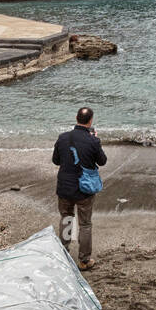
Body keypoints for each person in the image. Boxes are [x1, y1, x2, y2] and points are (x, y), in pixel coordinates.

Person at [52, 107, 107, 269]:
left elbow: (56, 160)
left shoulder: (62, 138)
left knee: (67, 217)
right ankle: (84, 260)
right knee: (85, 224)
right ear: (90, 121)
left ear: (76, 118)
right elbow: (102, 161)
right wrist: (96, 141)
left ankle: (64, 252)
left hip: (64, 186)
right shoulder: (93, 141)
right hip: (84, 188)